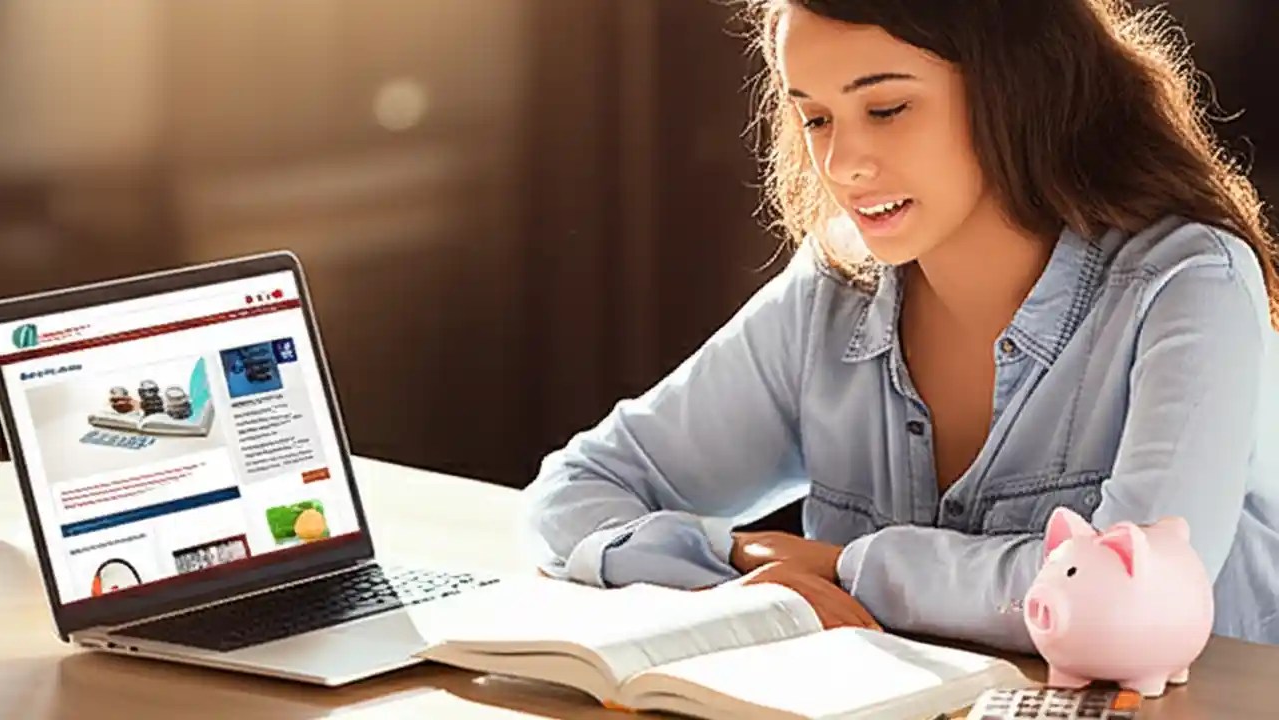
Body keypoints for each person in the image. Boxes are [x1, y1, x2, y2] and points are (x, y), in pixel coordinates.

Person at [520, 0, 1279, 653]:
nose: (843, 162)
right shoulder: (832, 292)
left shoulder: (1190, 283)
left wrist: (851, 568)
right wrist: (740, 559)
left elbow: (1129, 600)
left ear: (1016, 87)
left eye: (886, 108)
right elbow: (577, 492)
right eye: (815, 116)